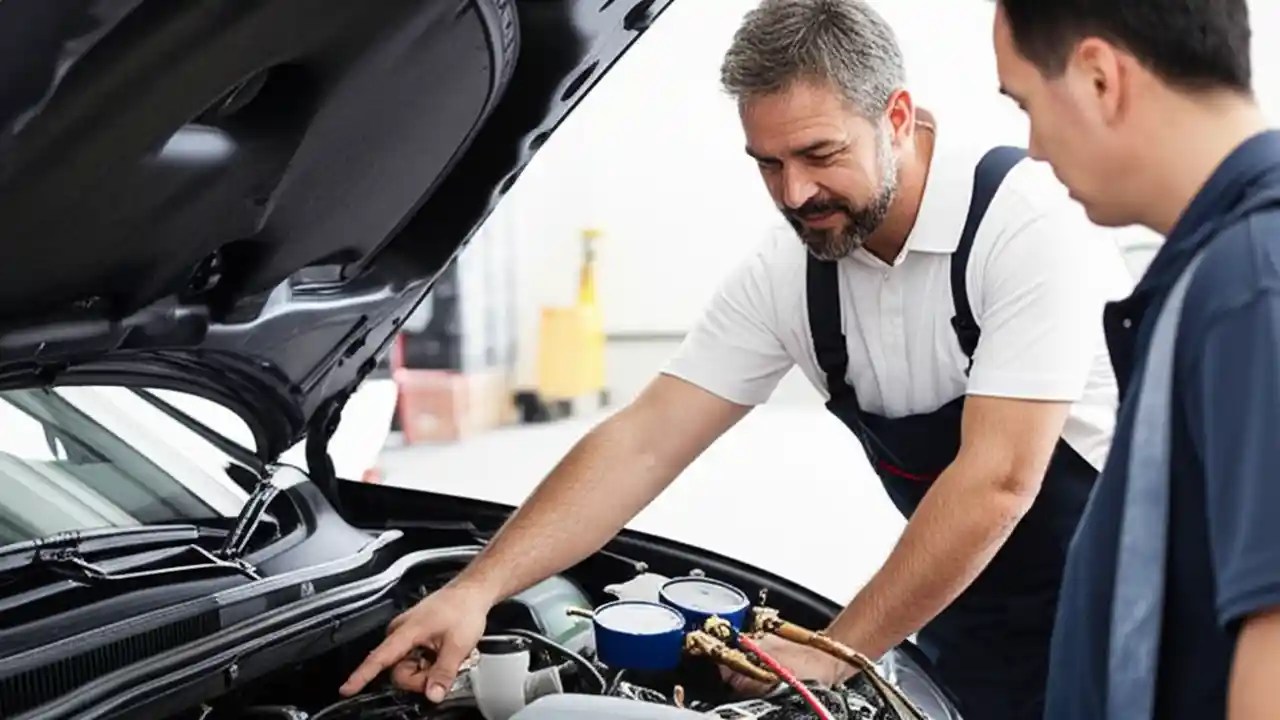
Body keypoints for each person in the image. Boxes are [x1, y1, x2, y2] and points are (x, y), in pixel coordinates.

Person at [340, 1, 1134, 717]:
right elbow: (644, 440)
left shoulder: (1024, 223)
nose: (794, 195)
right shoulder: (791, 272)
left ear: (896, 117)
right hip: (967, 615)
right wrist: (477, 588)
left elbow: (998, 483)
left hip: (1130, 612)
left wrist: (831, 652)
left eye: (819, 154)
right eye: (767, 163)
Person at [991, 1, 1280, 719]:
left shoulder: (1252, 284)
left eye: (1026, 103)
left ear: (1098, 77)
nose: (1033, 148)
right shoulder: (1226, 270)